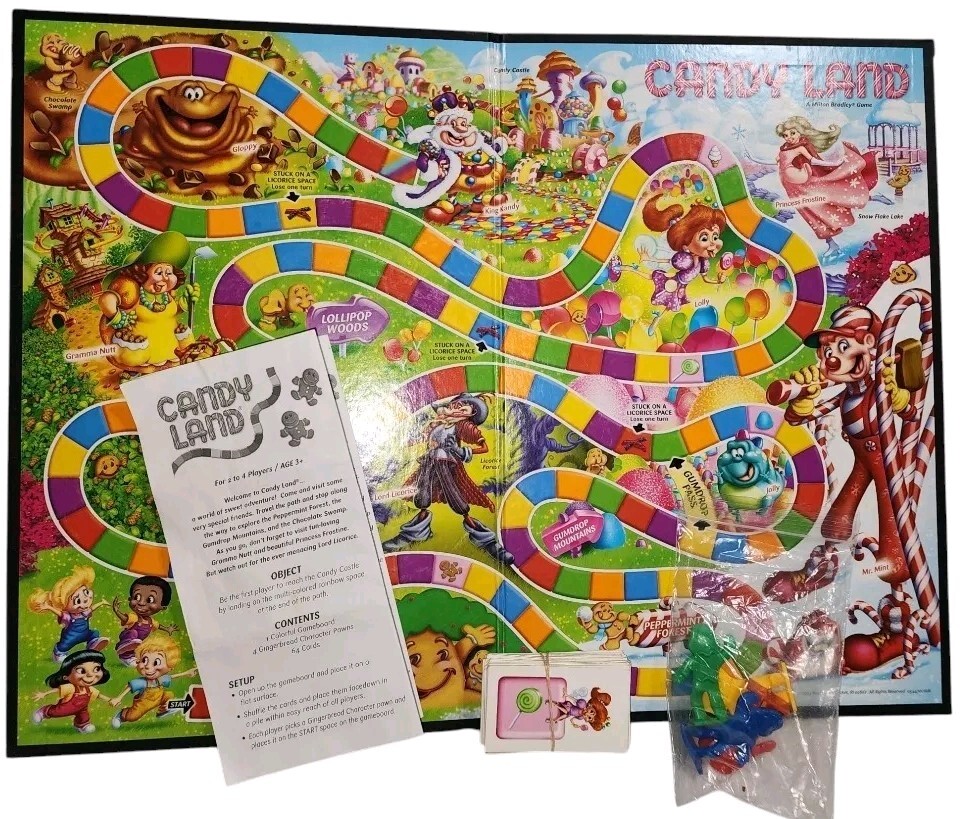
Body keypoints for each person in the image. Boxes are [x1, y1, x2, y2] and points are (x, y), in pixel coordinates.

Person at [382, 393, 511, 563]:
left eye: (464, 407)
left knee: (458, 502)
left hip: (448, 465)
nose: (458, 408)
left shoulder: (463, 426)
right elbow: (421, 438)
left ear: (471, 413)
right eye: (456, 405)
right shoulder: (438, 424)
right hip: (429, 462)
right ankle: (415, 534)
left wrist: (460, 451)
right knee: (422, 498)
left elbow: (484, 447)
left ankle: (487, 542)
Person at [774, 116, 890, 258]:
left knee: (834, 197)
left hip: (809, 184)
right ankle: (832, 244)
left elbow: (814, 161)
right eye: (785, 135)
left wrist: (834, 164)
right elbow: (779, 163)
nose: (789, 137)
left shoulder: (800, 148)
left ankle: (874, 197)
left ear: (800, 132)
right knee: (812, 215)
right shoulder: (784, 149)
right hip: (794, 189)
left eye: (793, 133)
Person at [28, 565, 109, 662]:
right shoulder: (69, 616)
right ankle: (58, 652)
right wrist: (49, 607)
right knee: (64, 645)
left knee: (94, 633)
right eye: (78, 601)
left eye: (86, 592)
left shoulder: (84, 613)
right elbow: (60, 614)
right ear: (65, 606)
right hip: (71, 637)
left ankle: (92, 644)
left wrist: (101, 603)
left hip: (84, 633)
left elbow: (92, 608)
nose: (86, 599)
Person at [32, 650, 111, 733]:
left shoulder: (89, 689)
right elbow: (58, 690)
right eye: (82, 671)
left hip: (82, 709)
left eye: (97, 669)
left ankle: (82, 725)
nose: (90, 675)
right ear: (66, 677)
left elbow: (98, 695)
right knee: (57, 712)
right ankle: (44, 711)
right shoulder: (71, 687)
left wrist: (109, 700)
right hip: (67, 707)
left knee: (84, 716)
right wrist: (44, 694)